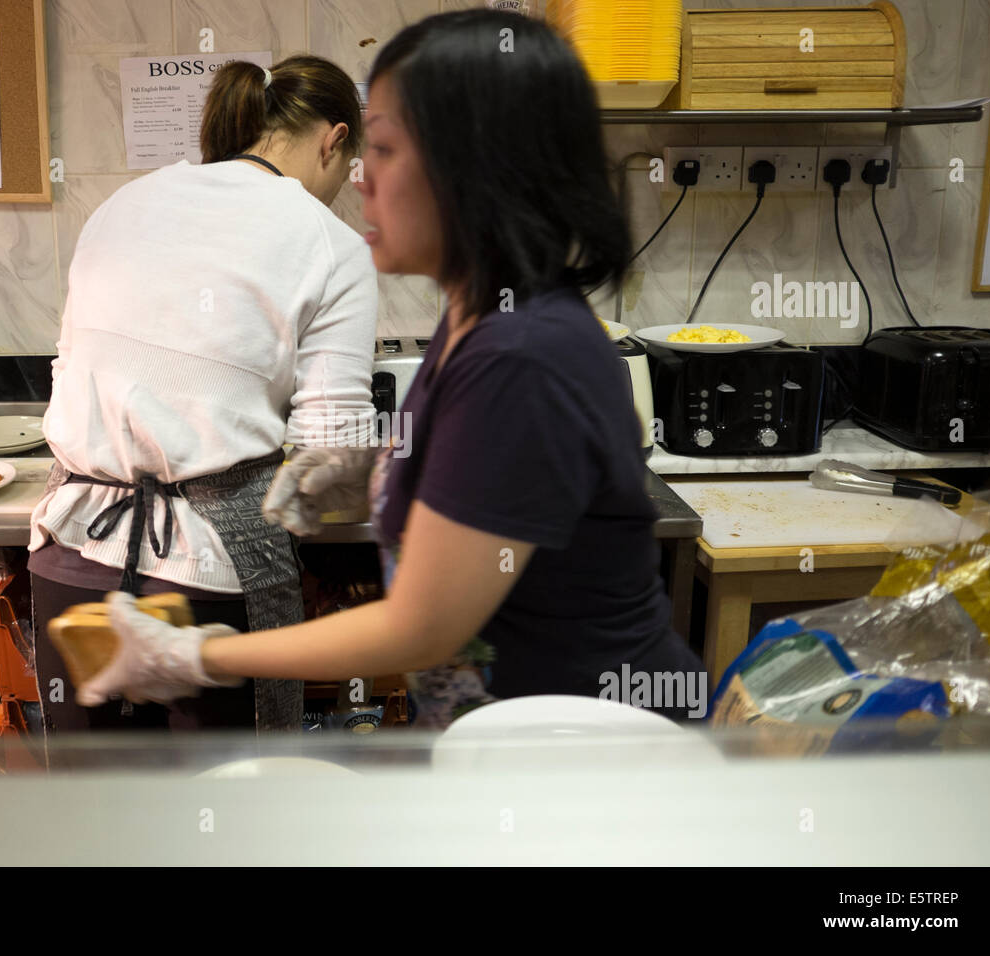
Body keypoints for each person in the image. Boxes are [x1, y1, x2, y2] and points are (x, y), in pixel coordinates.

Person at [74, 10, 706, 729]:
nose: (360, 176)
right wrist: (377, 469)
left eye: (384, 147)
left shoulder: (522, 355)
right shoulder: (476, 321)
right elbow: (487, 486)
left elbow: (421, 627)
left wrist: (196, 656)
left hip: (588, 752)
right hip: (510, 741)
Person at [28, 54, 377, 736]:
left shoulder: (122, 202)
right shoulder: (332, 244)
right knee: (231, 820)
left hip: (69, 555)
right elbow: (333, 452)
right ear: (333, 141)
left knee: (90, 818)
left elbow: (74, 364)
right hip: (211, 581)